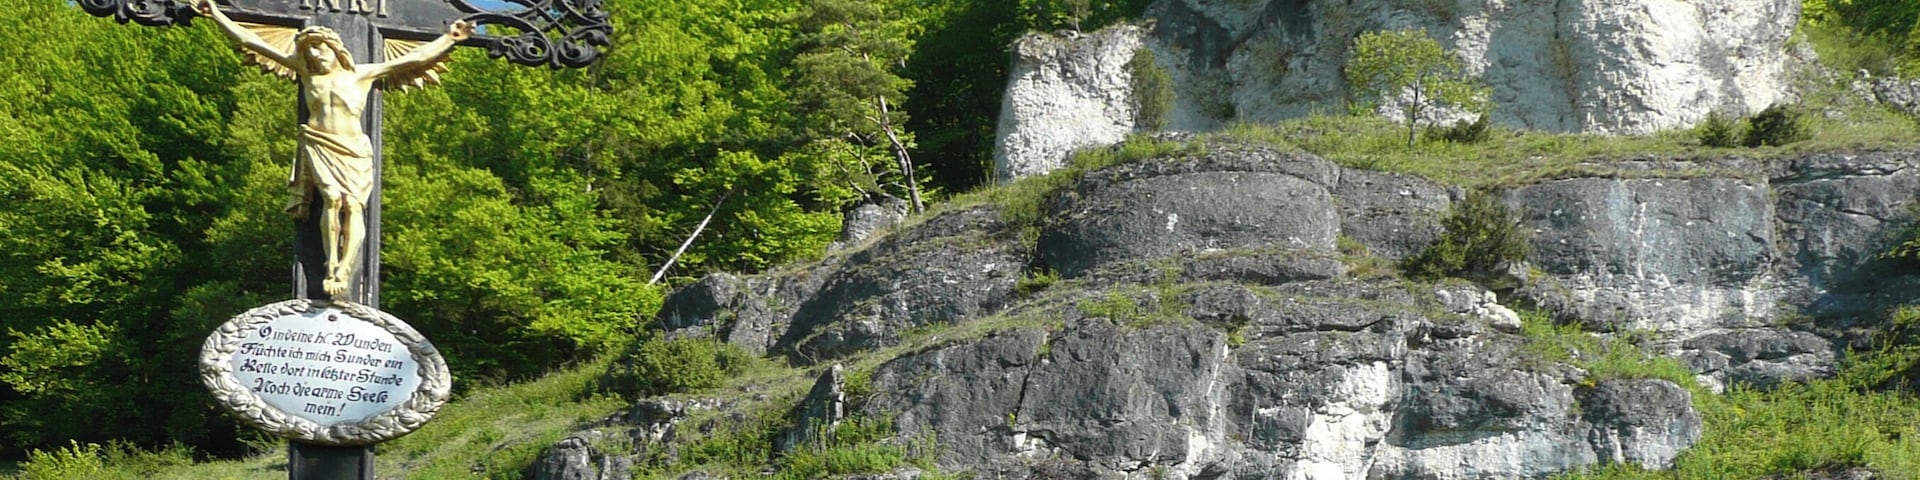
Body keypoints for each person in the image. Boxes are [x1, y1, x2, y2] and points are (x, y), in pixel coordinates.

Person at [194, 0, 472, 298]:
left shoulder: (361, 74)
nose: (314, 54)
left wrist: (448, 39)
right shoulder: (306, 72)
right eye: (309, 49)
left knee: (353, 206)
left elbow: (413, 59)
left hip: (352, 147)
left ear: (336, 48)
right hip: (319, 142)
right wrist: (218, 15)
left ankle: (345, 268)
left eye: (320, 47)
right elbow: (253, 41)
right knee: (331, 200)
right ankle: (331, 265)